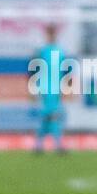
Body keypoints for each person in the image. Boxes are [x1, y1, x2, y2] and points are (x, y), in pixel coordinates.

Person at [31, 24, 69, 154]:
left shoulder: (60, 52)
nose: (51, 36)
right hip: (46, 88)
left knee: (49, 117)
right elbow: (34, 70)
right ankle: (57, 145)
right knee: (52, 116)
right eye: (50, 33)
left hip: (56, 88)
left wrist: (64, 87)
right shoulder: (42, 52)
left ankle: (39, 145)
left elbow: (65, 71)